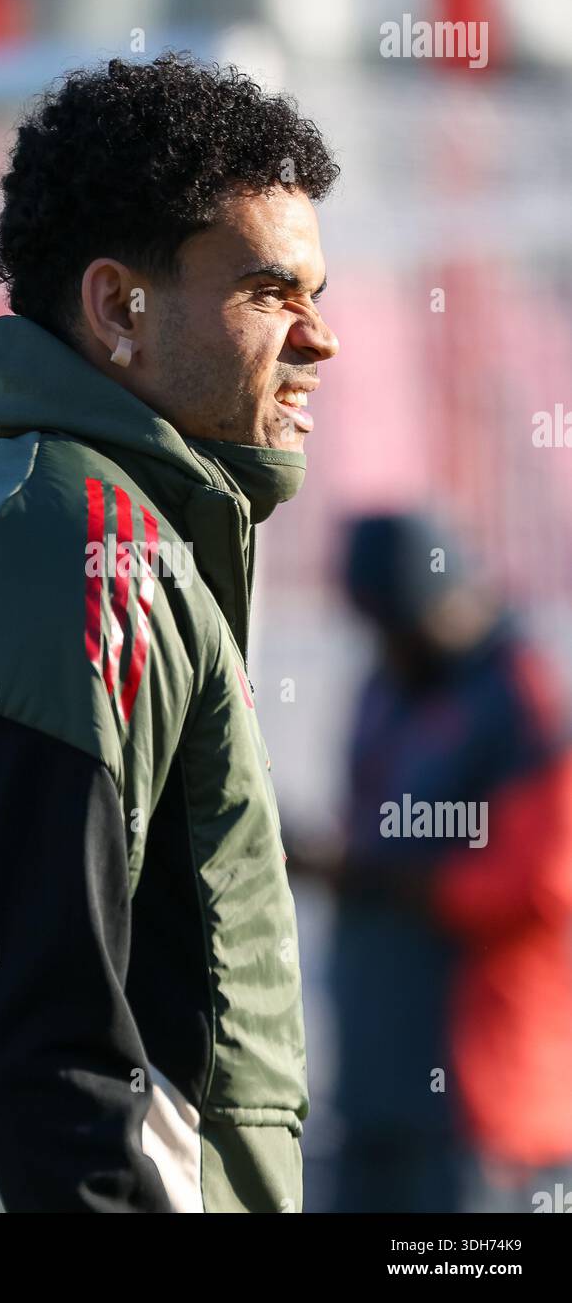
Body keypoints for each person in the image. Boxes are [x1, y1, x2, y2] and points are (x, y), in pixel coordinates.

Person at [0, 51, 341, 1213]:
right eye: (267, 290)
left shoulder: (18, 516)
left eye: (318, 293)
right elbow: (52, 1053)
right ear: (116, 309)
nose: (317, 338)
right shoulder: (80, 547)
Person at [287, 512, 572, 1213]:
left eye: (399, 624)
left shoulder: (516, 695)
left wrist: (374, 877)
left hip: (478, 1103)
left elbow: (539, 884)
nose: (386, 644)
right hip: (374, 1085)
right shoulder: (386, 686)